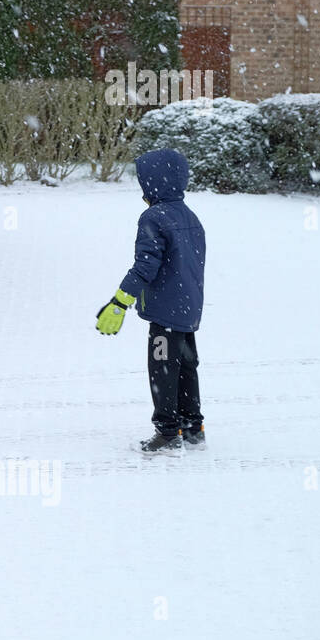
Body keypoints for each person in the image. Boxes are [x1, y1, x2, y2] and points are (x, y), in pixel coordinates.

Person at [95, 148, 207, 454]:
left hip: (165, 311)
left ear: (154, 184)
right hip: (187, 309)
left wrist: (119, 301)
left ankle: (168, 432)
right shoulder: (190, 216)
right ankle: (193, 427)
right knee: (185, 367)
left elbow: (146, 266)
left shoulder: (153, 217)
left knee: (162, 371)